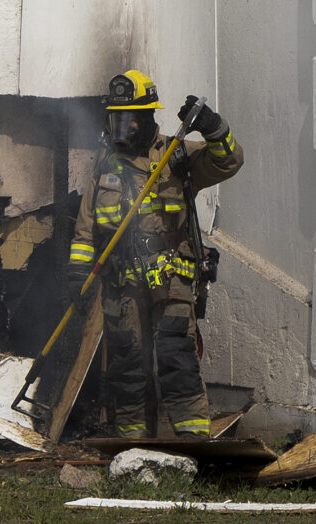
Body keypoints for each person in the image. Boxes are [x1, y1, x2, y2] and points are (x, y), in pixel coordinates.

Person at [67, 69, 243, 440]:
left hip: (171, 279)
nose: (123, 128)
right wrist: (77, 274)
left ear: (148, 117)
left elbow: (229, 160)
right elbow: (85, 229)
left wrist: (212, 128)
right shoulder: (104, 165)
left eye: (131, 120)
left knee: (176, 357)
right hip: (122, 286)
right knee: (127, 366)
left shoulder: (175, 155)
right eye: (116, 120)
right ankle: (132, 443)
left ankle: (193, 439)